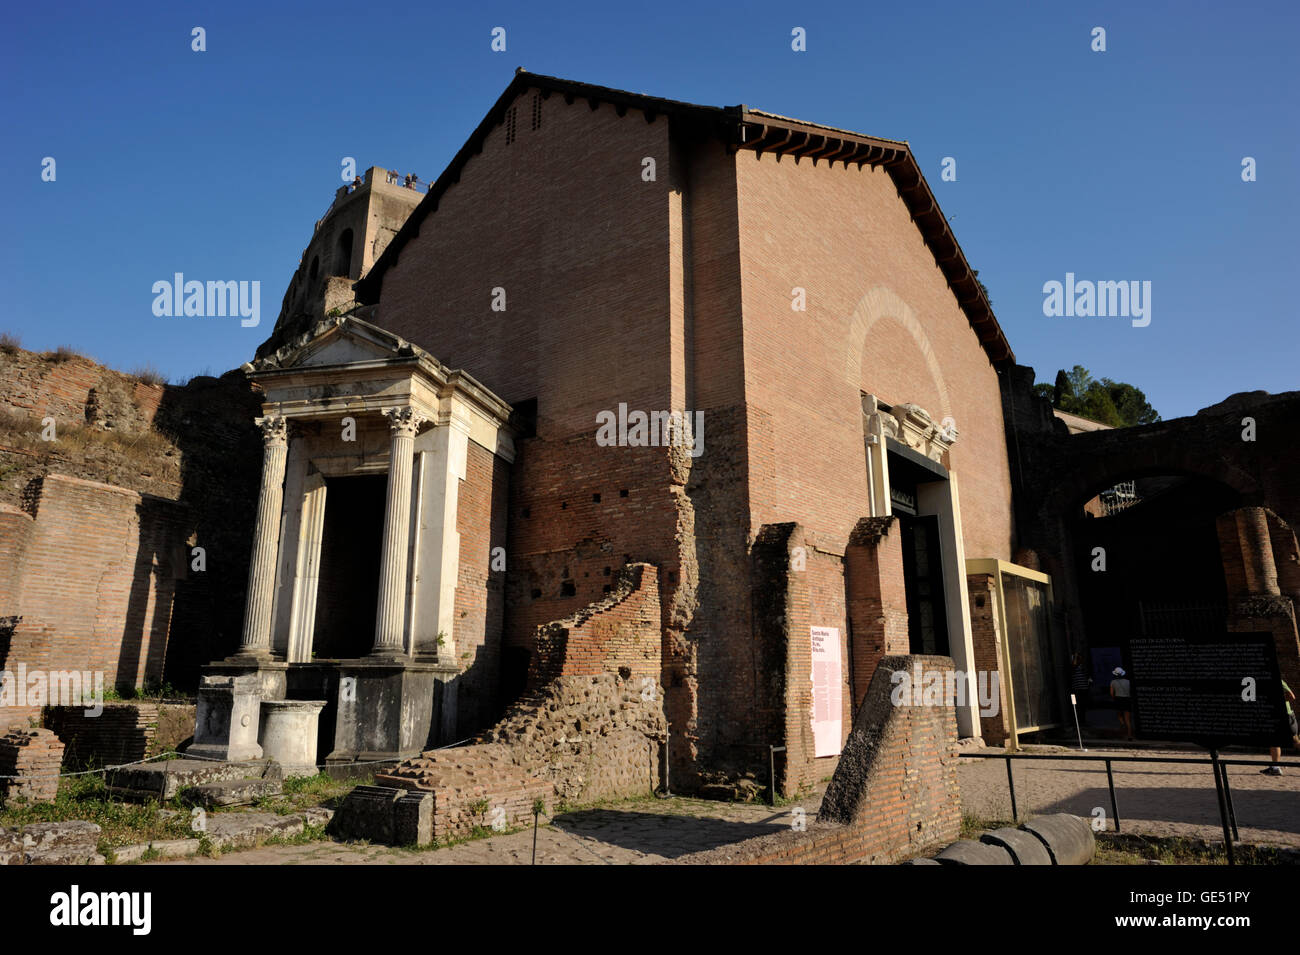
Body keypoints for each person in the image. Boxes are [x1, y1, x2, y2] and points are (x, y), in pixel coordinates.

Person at [1262, 680, 1297, 775]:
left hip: (1285, 716)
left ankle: (1276, 767)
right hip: (1283, 716)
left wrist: (1276, 700)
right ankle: (1275, 767)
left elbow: (1291, 696)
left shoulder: (1278, 681)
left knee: (1278, 741)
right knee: (1275, 741)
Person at [1110, 666, 1133, 740]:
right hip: (1127, 699)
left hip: (1118, 699)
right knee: (1128, 719)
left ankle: (1122, 724)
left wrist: (1114, 699)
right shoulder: (1128, 681)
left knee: (1119, 714)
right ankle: (1129, 735)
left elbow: (1111, 693)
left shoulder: (1113, 682)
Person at [1070, 652, 1092, 726]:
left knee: (1083, 705)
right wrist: (1075, 657)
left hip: (1084, 688)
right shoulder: (1074, 667)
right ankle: (1078, 721)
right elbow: (1074, 665)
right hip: (1076, 689)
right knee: (1077, 705)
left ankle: (1083, 720)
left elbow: (1088, 676)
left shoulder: (1084, 667)